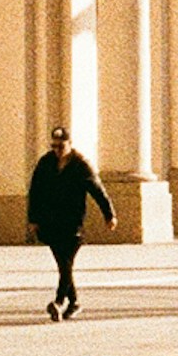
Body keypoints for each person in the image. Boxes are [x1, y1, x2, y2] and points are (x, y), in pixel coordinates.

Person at [26, 126, 115, 320]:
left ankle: (58, 302)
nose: (57, 150)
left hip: (73, 221)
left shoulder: (80, 164)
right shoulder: (46, 162)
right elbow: (35, 191)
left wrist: (109, 214)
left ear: (70, 144)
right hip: (50, 220)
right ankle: (73, 303)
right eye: (54, 146)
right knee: (63, 263)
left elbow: (97, 190)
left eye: (61, 146)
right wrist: (33, 218)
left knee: (66, 262)